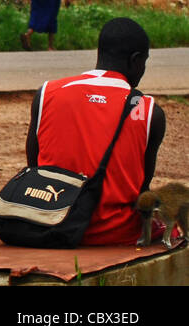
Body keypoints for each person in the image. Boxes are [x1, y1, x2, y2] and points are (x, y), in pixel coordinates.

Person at [26, 18, 165, 246]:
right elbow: (143, 189)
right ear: (136, 60)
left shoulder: (47, 93)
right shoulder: (150, 112)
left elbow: (33, 168)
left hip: (48, 225)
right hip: (115, 233)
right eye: (144, 63)